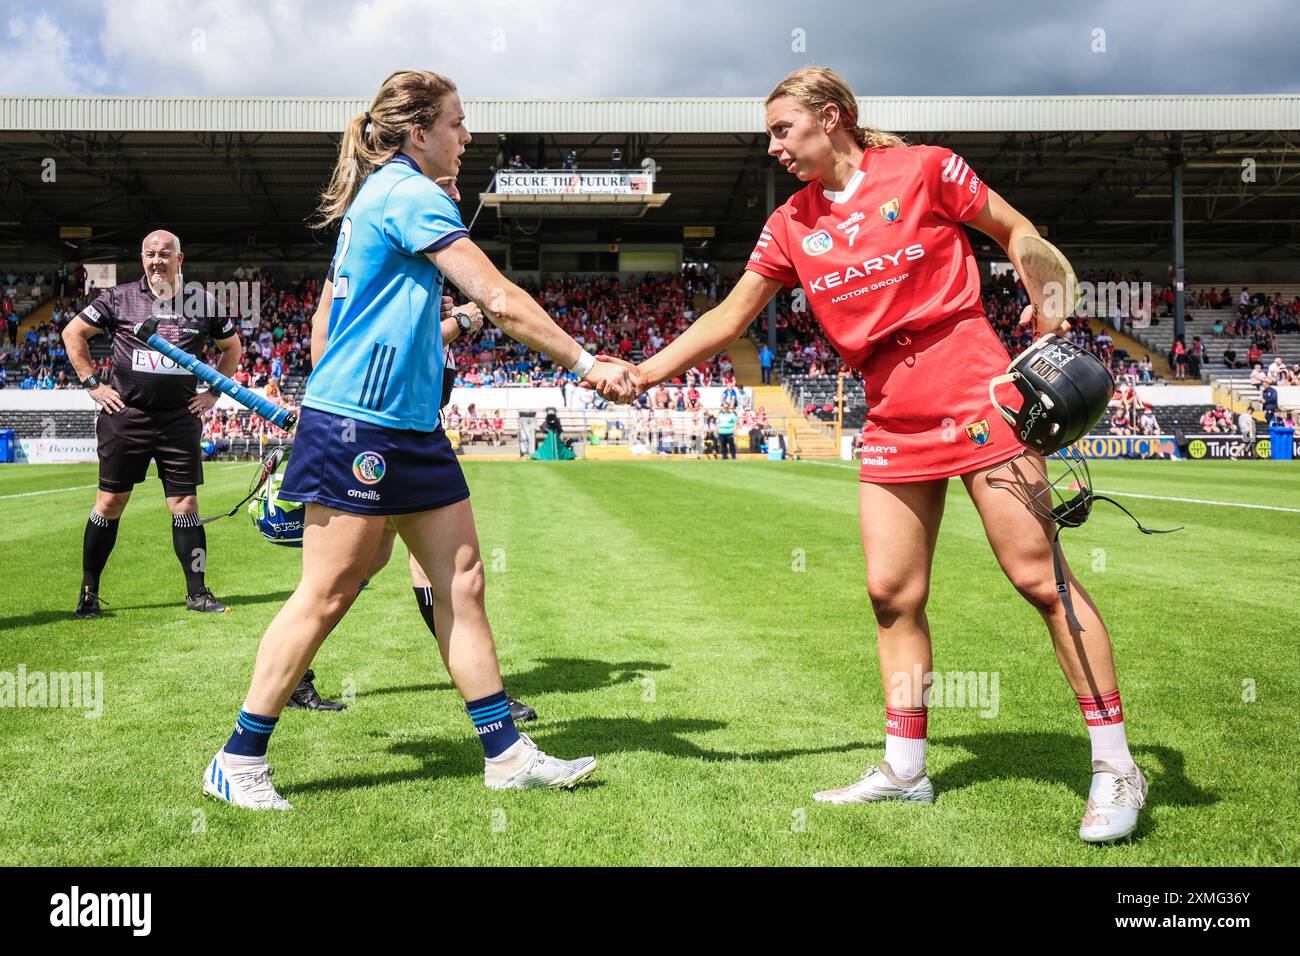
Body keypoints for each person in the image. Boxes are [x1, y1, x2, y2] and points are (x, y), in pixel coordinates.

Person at [596, 66, 1147, 844]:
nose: (775, 148)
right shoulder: (792, 221)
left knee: (1039, 578)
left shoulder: (924, 168)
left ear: (832, 117)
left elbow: (1018, 232)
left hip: (979, 393)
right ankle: (905, 768)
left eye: (783, 130)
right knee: (890, 593)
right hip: (890, 411)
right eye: (769, 137)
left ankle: (1117, 765)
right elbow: (729, 315)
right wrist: (644, 372)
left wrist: (1049, 305)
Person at [201, 70, 632, 810]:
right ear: (417, 132)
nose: (467, 138)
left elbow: (331, 325)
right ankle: (237, 759)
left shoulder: (393, 197)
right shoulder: (407, 192)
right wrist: (588, 364)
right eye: (458, 124)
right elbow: (498, 296)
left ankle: (504, 753)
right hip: (361, 426)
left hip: (409, 429)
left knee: (460, 581)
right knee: (329, 592)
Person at [61, 230, 240, 617]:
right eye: (149, 254)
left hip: (179, 420)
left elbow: (232, 348)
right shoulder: (118, 297)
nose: (156, 260)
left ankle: (198, 593)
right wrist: (93, 384)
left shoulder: (204, 303)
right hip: (126, 417)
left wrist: (213, 393)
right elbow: (72, 332)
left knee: (185, 504)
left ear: (180, 258)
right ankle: (89, 593)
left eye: (164, 254)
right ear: (142, 258)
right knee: (110, 503)